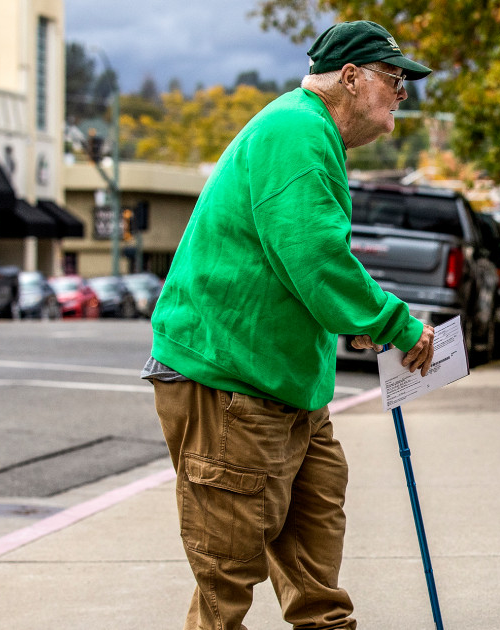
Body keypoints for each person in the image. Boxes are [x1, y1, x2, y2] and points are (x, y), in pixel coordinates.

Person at [141, 21, 435, 630]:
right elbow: (315, 257)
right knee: (226, 579)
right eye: (394, 79)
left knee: (315, 555)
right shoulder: (297, 131)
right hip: (231, 381)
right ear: (350, 78)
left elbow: (296, 262)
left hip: (284, 385)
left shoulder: (307, 131)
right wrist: (394, 324)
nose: (403, 94)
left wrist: (352, 319)